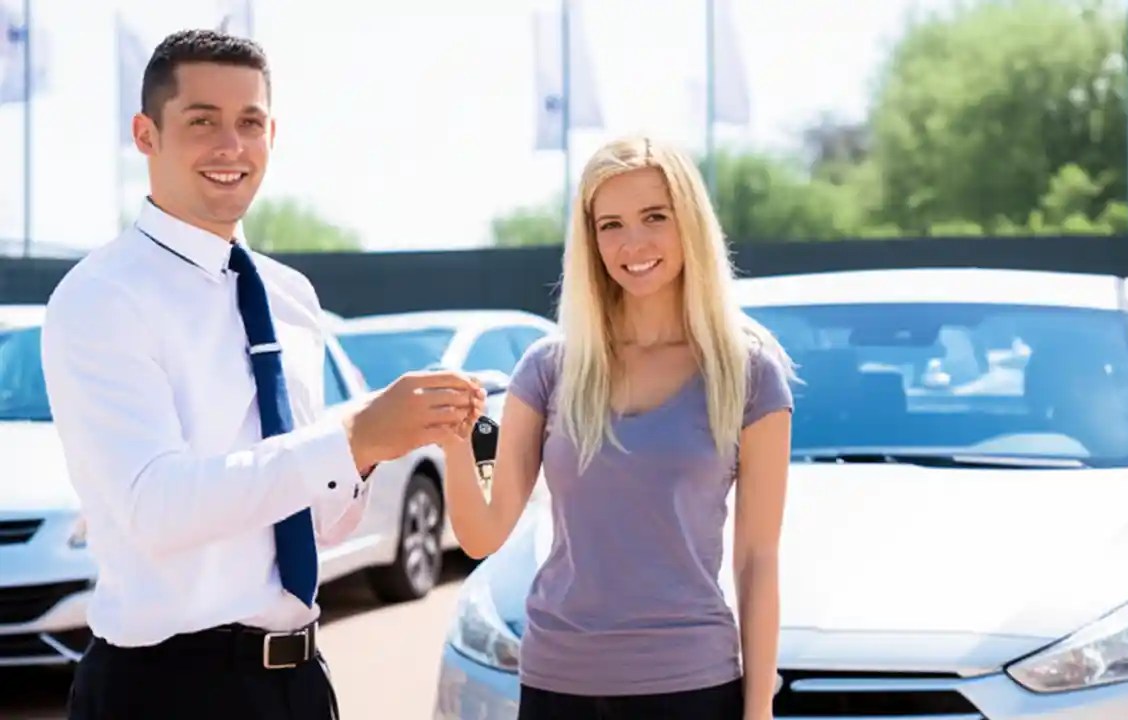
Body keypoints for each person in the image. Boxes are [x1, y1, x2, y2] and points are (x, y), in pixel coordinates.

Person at [40, 29, 483, 720]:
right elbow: (155, 508)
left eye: (250, 122)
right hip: (163, 692)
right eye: (202, 121)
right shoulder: (101, 296)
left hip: (300, 680)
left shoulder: (290, 296)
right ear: (145, 134)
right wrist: (352, 438)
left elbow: (318, 522)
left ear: (272, 133)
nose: (231, 145)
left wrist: (366, 455)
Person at [441, 136, 795, 720]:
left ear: (690, 222)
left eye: (654, 216)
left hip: (692, 684)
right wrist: (456, 442)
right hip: (560, 682)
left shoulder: (748, 373)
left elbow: (757, 559)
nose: (633, 243)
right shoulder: (549, 369)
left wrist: (758, 710)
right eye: (611, 224)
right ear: (590, 239)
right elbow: (482, 535)